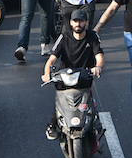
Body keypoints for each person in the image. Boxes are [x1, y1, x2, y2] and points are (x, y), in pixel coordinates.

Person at [42, 9, 105, 139]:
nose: (78, 24)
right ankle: (52, 125)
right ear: (71, 22)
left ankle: (94, 121)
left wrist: (97, 67)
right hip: (65, 77)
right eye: (75, 21)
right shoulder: (64, 37)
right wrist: (46, 73)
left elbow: (99, 57)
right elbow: (52, 59)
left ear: (86, 22)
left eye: (81, 21)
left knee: (88, 101)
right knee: (60, 100)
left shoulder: (92, 37)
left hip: (84, 76)